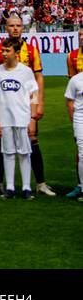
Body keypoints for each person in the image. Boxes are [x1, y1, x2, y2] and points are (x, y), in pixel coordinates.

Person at [0, 15, 54, 195]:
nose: (15, 28)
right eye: (11, 25)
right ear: (6, 28)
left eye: (18, 26)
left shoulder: (31, 50)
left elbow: (38, 77)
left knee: (33, 140)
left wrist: (40, 104)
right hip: (6, 104)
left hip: (26, 104)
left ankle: (40, 183)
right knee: (1, 143)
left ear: (23, 28)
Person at [0, 42, 39, 200]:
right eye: (2, 51)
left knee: (24, 153)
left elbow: (34, 95)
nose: (4, 54)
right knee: (8, 152)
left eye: (7, 51)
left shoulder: (26, 71)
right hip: (5, 119)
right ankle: (10, 187)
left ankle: (26, 188)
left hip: (22, 117)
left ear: (16, 52)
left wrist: (32, 118)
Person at [65, 67, 83, 203]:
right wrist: (74, 121)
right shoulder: (75, 80)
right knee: (82, 154)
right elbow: (69, 101)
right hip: (80, 119)